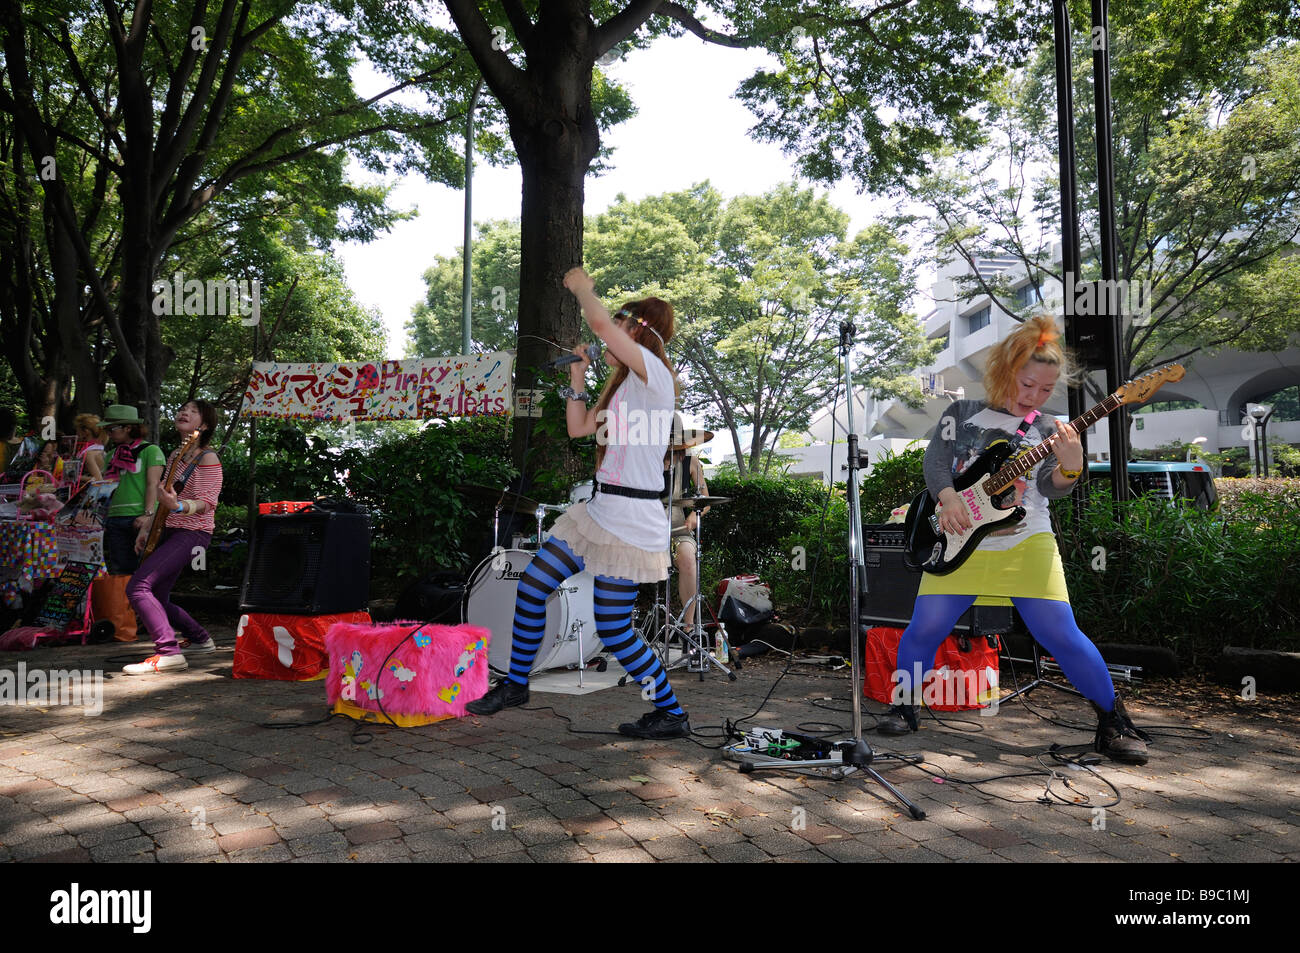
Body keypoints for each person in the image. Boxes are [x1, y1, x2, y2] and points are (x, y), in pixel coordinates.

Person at [879, 314, 1149, 765]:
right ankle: (904, 707)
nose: (1035, 396)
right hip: (961, 540)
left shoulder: (1049, 427)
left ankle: (1114, 722)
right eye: (1028, 385)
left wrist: (1071, 465)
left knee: (1060, 634)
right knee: (925, 627)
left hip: (1027, 540)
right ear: (1005, 371)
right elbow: (936, 463)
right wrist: (946, 499)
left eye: (1045, 390)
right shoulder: (962, 413)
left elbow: (1048, 488)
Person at [467, 268, 691, 739]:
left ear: (639, 331)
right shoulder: (625, 384)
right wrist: (577, 375)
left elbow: (602, 327)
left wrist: (583, 288)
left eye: (624, 324)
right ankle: (517, 683)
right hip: (599, 511)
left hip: (631, 522)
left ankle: (670, 712)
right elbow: (578, 428)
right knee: (532, 585)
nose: (613, 333)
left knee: (615, 630)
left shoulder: (656, 378)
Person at [122, 400, 223, 674]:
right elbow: (163, 499)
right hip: (169, 530)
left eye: (193, 411)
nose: (184, 412)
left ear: (203, 425)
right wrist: (147, 529)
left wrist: (179, 506)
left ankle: (168, 651)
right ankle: (201, 638)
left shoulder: (208, 457)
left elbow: (207, 502)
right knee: (157, 594)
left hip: (194, 533)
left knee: (138, 587)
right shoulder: (177, 455)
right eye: (183, 408)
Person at [97, 405, 165, 643]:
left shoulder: (150, 450)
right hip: (114, 518)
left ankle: (150, 620)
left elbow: (153, 485)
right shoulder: (111, 455)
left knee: (144, 571)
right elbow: (104, 487)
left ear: (128, 428)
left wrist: (148, 515)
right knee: (120, 570)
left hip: (139, 518)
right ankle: (125, 622)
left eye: (112, 428)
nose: (109, 433)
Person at [663, 426, 712, 630]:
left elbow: (705, 500)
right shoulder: (644, 459)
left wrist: (694, 516)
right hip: (646, 524)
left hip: (677, 526)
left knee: (688, 559)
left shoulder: (691, 462)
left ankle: (689, 627)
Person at [73, 414, 107, 482]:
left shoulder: (89, 454)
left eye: (77, 430)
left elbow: (98, 479)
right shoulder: (97, 448)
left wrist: (73, 477)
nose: (76, 433)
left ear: (86, 432)